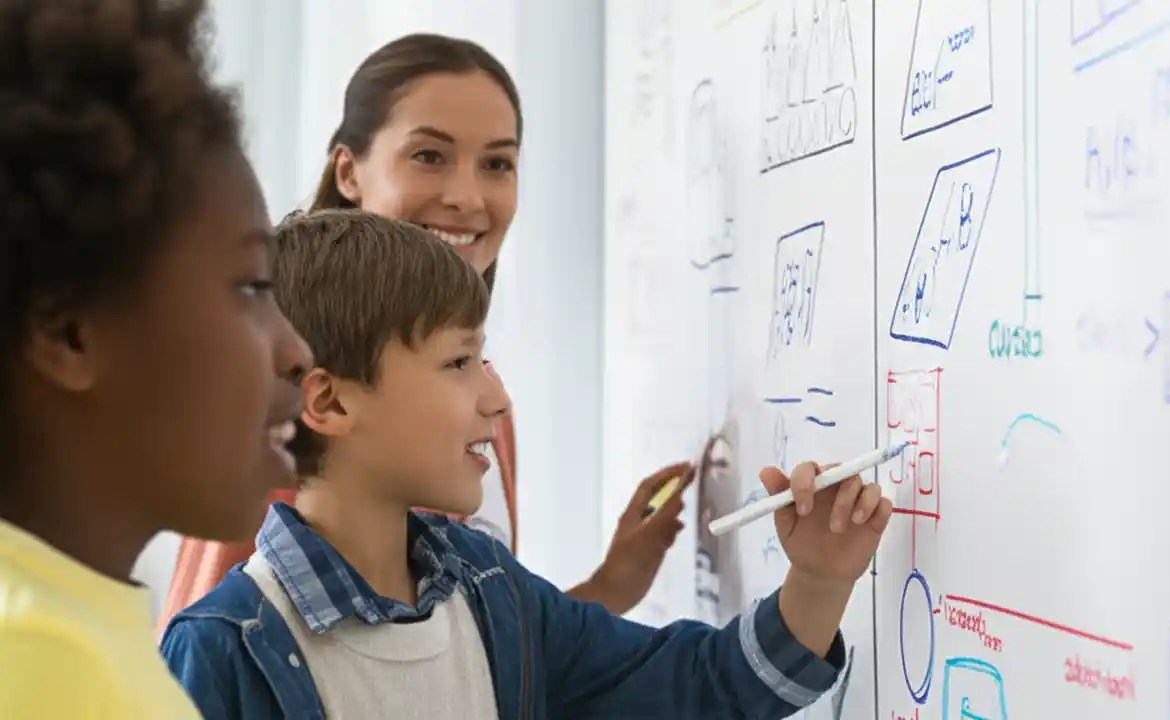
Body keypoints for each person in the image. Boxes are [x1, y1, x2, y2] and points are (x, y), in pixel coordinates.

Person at [160, 209, 893, 719]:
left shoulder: (488, 592)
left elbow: (695, 689)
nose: (497, 398)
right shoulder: (222, 653)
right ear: (328, 403)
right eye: (458, 362)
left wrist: (821, 578)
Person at [157, 32, 692, 628]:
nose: (467, 198)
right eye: (429, 156)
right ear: (349, 172)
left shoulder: (482, 400)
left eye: (497, 164)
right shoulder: (282, 394)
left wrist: (610, 584)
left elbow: (465, 651)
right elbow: (218, 650)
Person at [0, 0, 313, 716]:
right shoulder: (41, 667)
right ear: (71, 331)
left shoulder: (74, 640)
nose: (297, 351)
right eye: (250, 286)